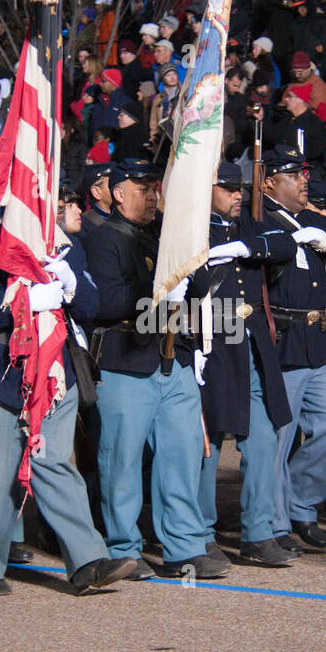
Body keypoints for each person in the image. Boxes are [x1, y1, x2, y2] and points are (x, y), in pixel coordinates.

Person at [0, 187, 136, 594]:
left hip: (54, 373)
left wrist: (70, 285)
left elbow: (90, 306)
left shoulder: (66, 245)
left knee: (54, 463)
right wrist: (21, 301)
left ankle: (89, 561)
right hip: (2, 371)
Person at [83, 159, 223, 578]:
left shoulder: (164, 233)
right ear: (117, 192)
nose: (150, 195)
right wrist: (159, 289)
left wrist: (191, 262)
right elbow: (105, 303)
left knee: (180, 455)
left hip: (172, 354)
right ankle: (123, 545)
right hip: (125, 356)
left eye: (153, 187)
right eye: (140, 187)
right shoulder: (103, 238)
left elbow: (202, 287)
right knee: (122, 460)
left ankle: (184, 545)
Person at [254, 145, 326, 552]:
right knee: (280, 439)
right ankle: (278, 522)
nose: (304, 181)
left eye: (304, 174)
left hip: (319, 342)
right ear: (269, 182)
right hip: (284, 340)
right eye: (294, 175)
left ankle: (301, 504)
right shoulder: (259, 218)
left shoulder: (310, 221)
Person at [194, 161, 298, 566]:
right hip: (214, 341)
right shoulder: (191, 228)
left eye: (240, 188)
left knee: (263, 440)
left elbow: (286, 244)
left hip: (252, 341)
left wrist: (245, 247)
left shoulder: (249, 228)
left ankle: (258, 532)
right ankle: (202, 532)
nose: (238, 194)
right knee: (210, 442)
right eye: (228, 188)